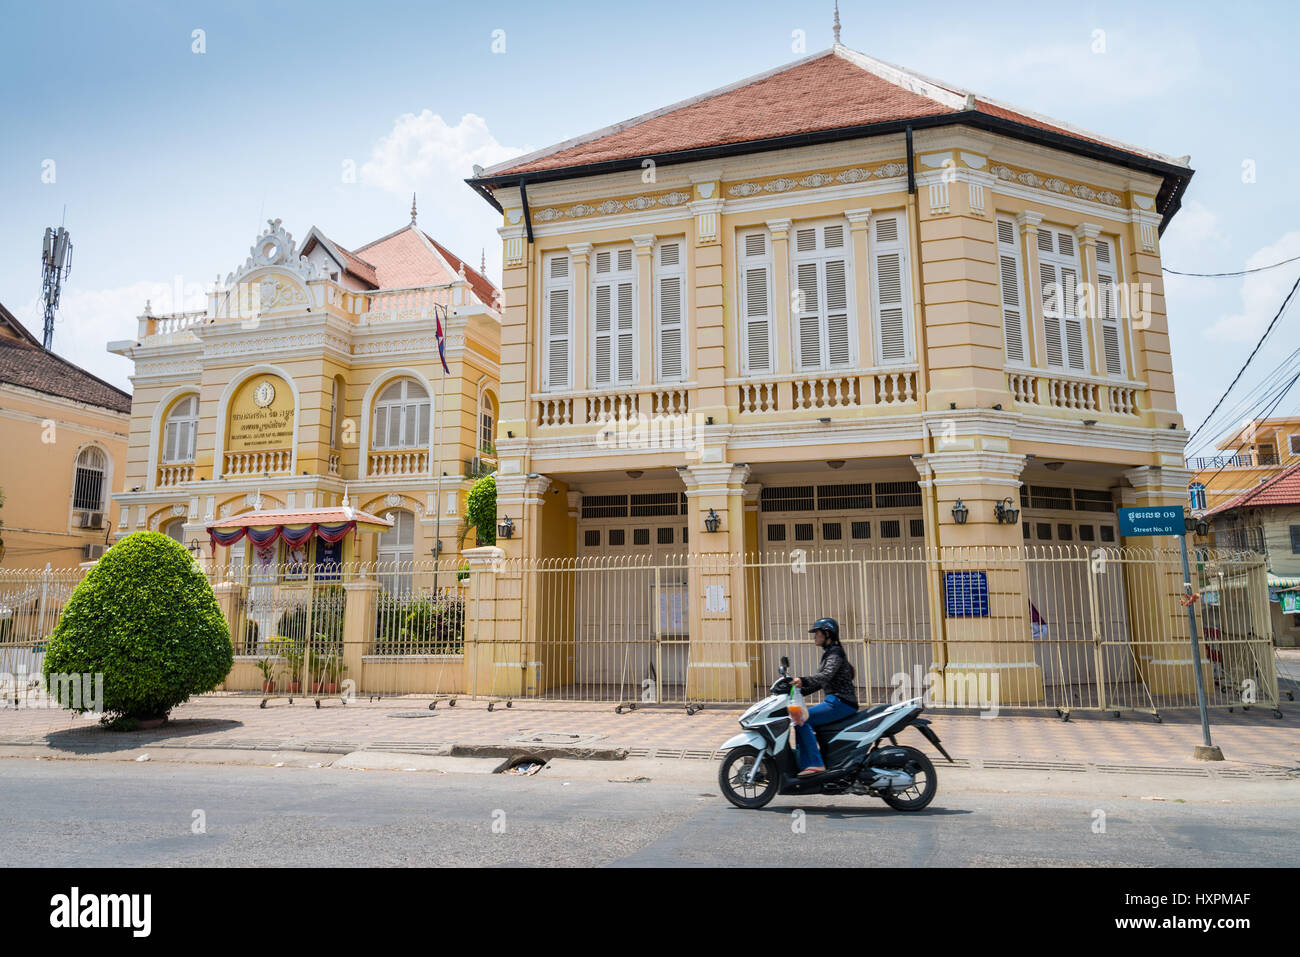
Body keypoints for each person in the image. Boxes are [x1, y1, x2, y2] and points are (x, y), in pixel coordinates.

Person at [791, 617, 858, 776]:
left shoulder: (835, 653)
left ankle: (815, 764)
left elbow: (825, 676)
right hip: (835, 701)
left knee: (801, 719)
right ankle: (805, 762)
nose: (815, 636)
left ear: (827, 634)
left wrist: (803, 680)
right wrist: (797, 690)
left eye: (817, 633)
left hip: (841, 702)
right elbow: (820, 682)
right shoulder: (830, 653)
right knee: (799, 720)